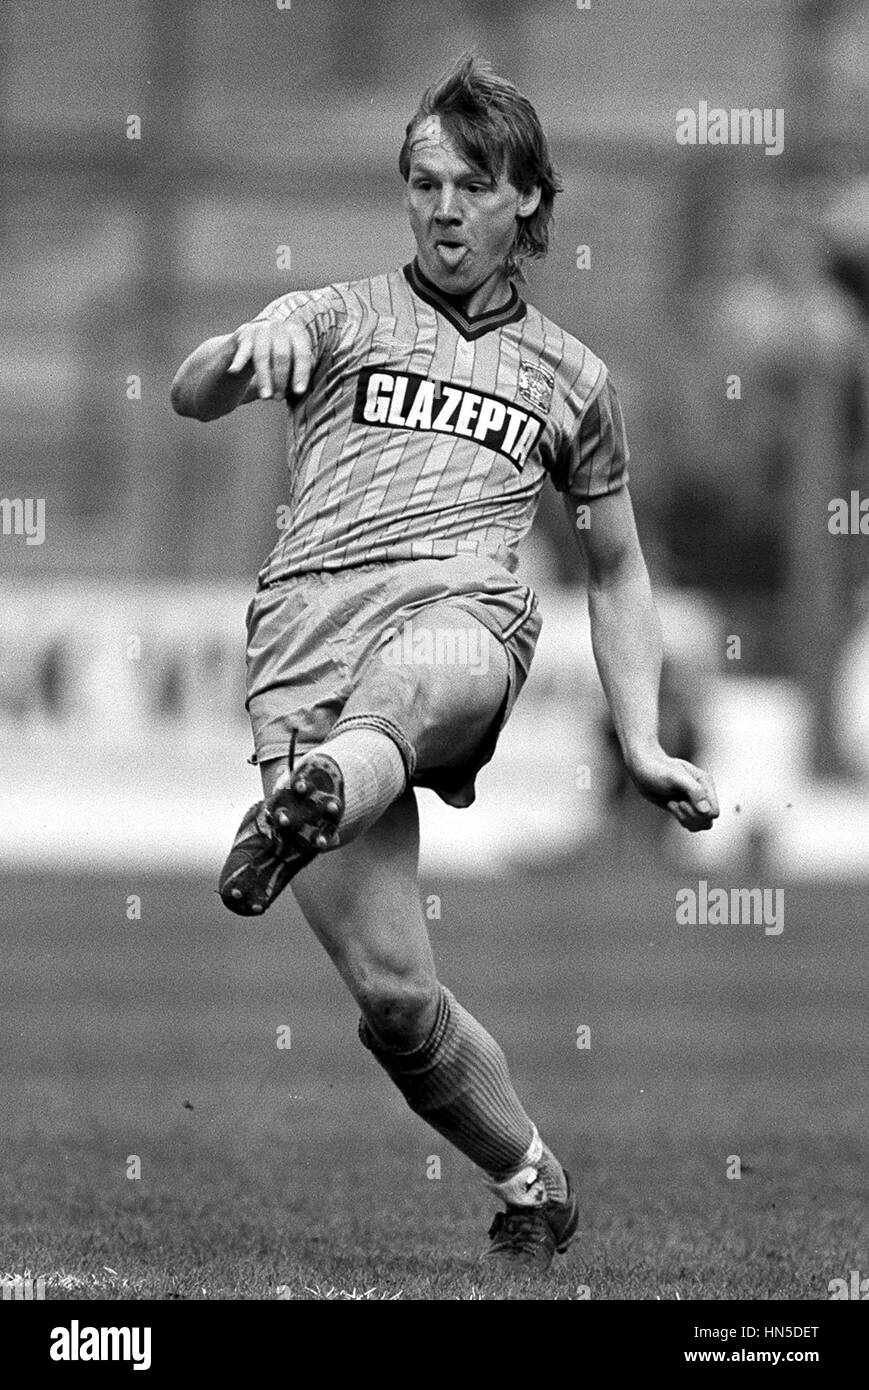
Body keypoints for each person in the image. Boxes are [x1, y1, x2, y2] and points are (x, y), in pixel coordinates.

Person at [170, 55, 719, 1272]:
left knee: (420, 673)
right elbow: (189, 391)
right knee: (396, 998)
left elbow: (618, 569)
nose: (441, 208)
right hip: (303, 659)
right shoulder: (337, 316)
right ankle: (530, 1175)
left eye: (471, 185)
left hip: (462, 627)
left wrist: (639, 740)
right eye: (422, 182)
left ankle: (313, 798)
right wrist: (241, 346)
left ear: (525, 197)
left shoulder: (570, 378)